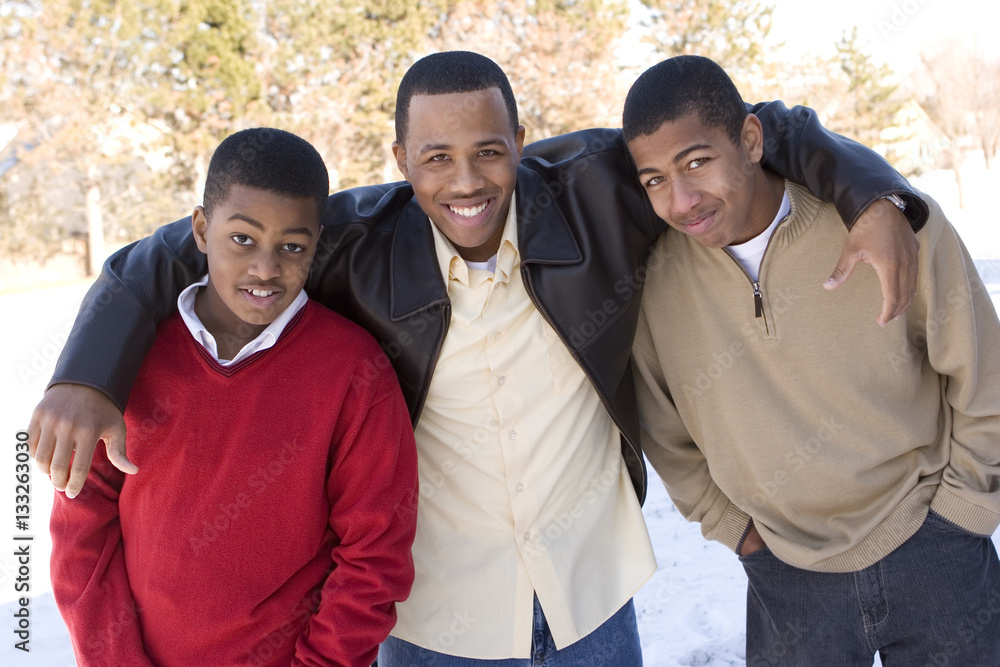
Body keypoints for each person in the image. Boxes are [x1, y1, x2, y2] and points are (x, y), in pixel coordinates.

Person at [31, 51, 928, 665]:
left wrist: (874, 196)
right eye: (436, 158)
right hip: (436, 621)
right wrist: (85, 371)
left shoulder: (597, 193)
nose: (465, 180)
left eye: (489, 151)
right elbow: (175, 251)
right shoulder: (347, 240)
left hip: (592, 594)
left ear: (522, 143)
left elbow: (765, 125)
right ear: (400, 161)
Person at [625, 55, 1000, 665]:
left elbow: (985, 374)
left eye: (697, 162)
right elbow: (665, 433)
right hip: (787, 575)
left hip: (935, 548)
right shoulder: (653, 284)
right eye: (655, 180)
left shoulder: (890, 225)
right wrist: (735, 531)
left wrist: (964, 512)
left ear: (749, 139)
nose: (682, 198)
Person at [49, 128, 418, 667]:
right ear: (201, 229)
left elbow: (375, 557)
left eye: (292, 246)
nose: (265, 269)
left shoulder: (355, 372)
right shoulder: (128, 359)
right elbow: (81, 537)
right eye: (241, 239)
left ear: (317, 243)